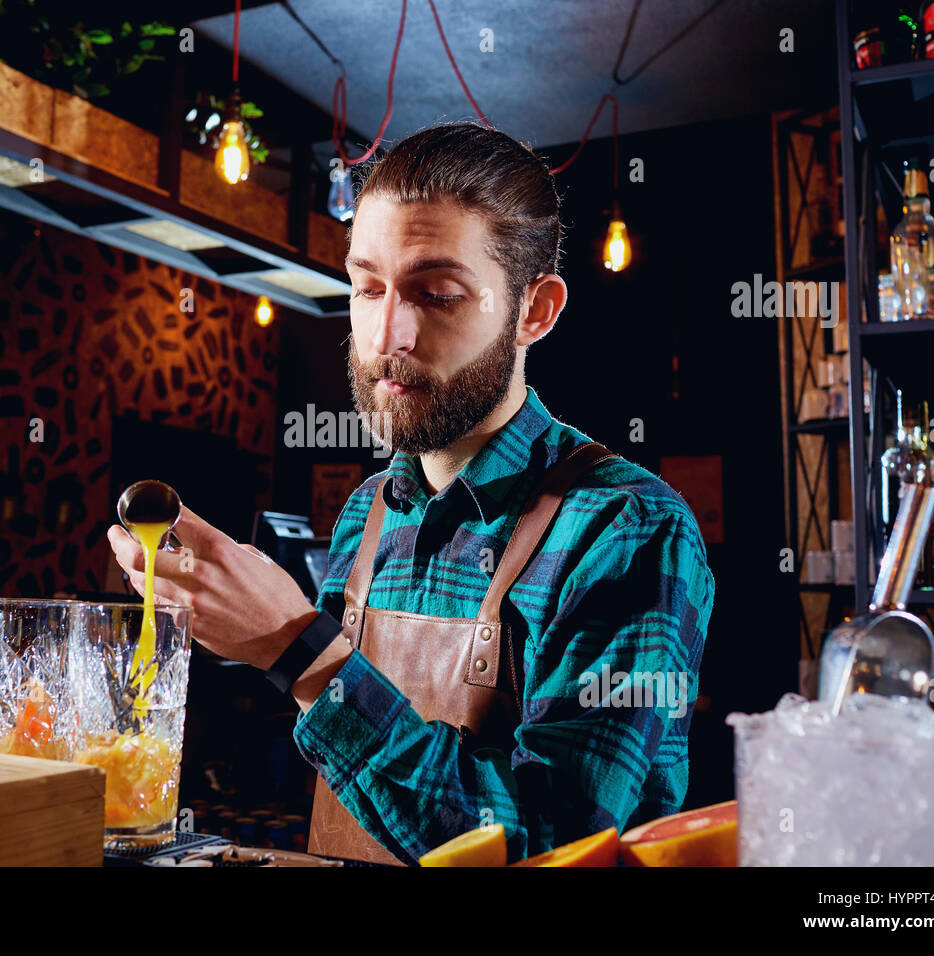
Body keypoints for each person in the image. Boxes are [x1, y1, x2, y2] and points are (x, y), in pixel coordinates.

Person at [109, 120, 715, 866]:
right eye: (366, 287)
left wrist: (298, 652)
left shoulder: (626, 527)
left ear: (535, 311)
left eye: (435, 293)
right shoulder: (369, 512)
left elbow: (557, 843)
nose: (385, 333)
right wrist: (235, 620)